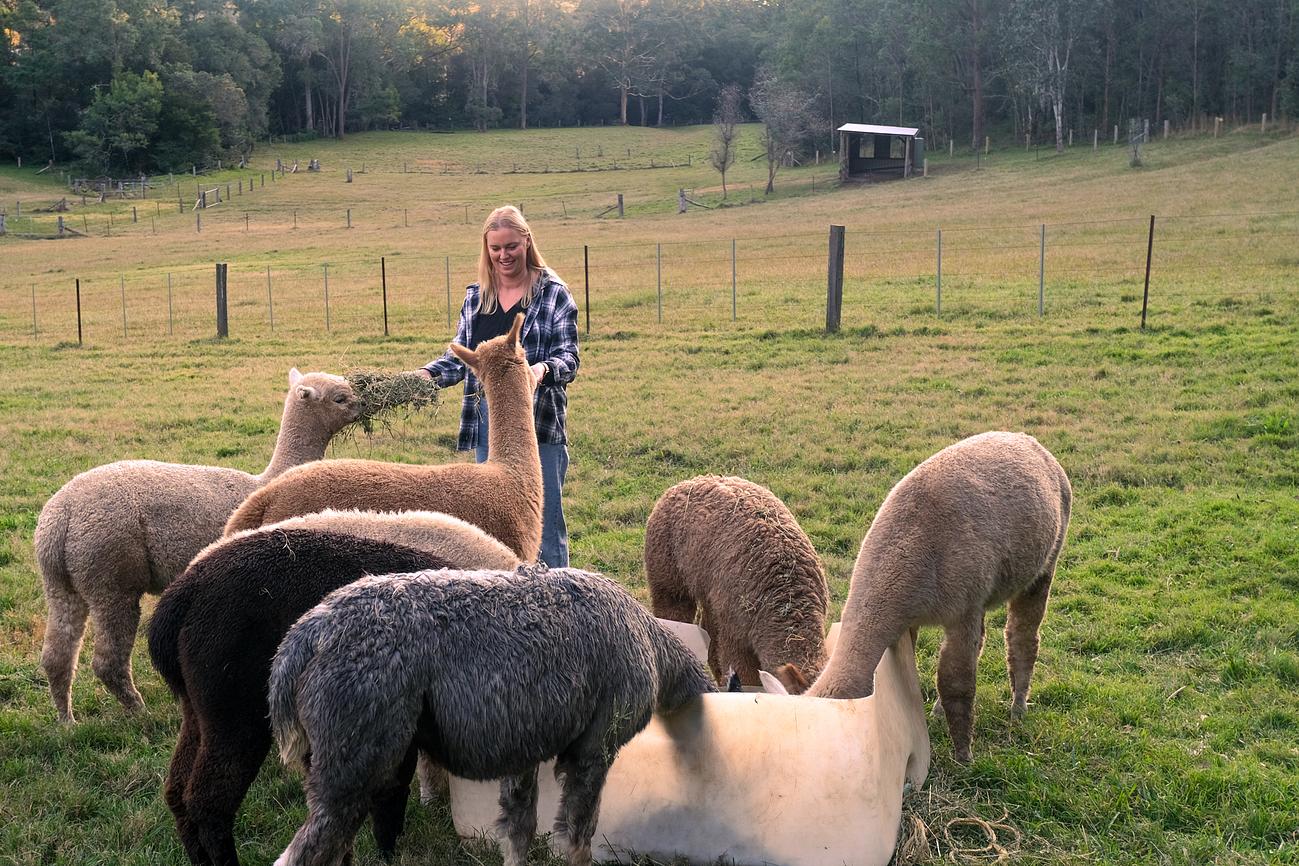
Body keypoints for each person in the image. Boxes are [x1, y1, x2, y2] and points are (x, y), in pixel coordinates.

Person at [417, 205, 579, 567]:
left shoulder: (553, 293)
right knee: (494, 529)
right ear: (486, 249)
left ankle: (557, 596)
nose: (504, 255)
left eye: (511, 246)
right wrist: (424, 376)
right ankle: (504, 597)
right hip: (487, 425)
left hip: (536, 425)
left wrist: (540, 371)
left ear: (526, 242)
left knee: (544, 528)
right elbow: (460, 359)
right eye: (496, 248)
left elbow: (569, 358)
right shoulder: (477, 297)